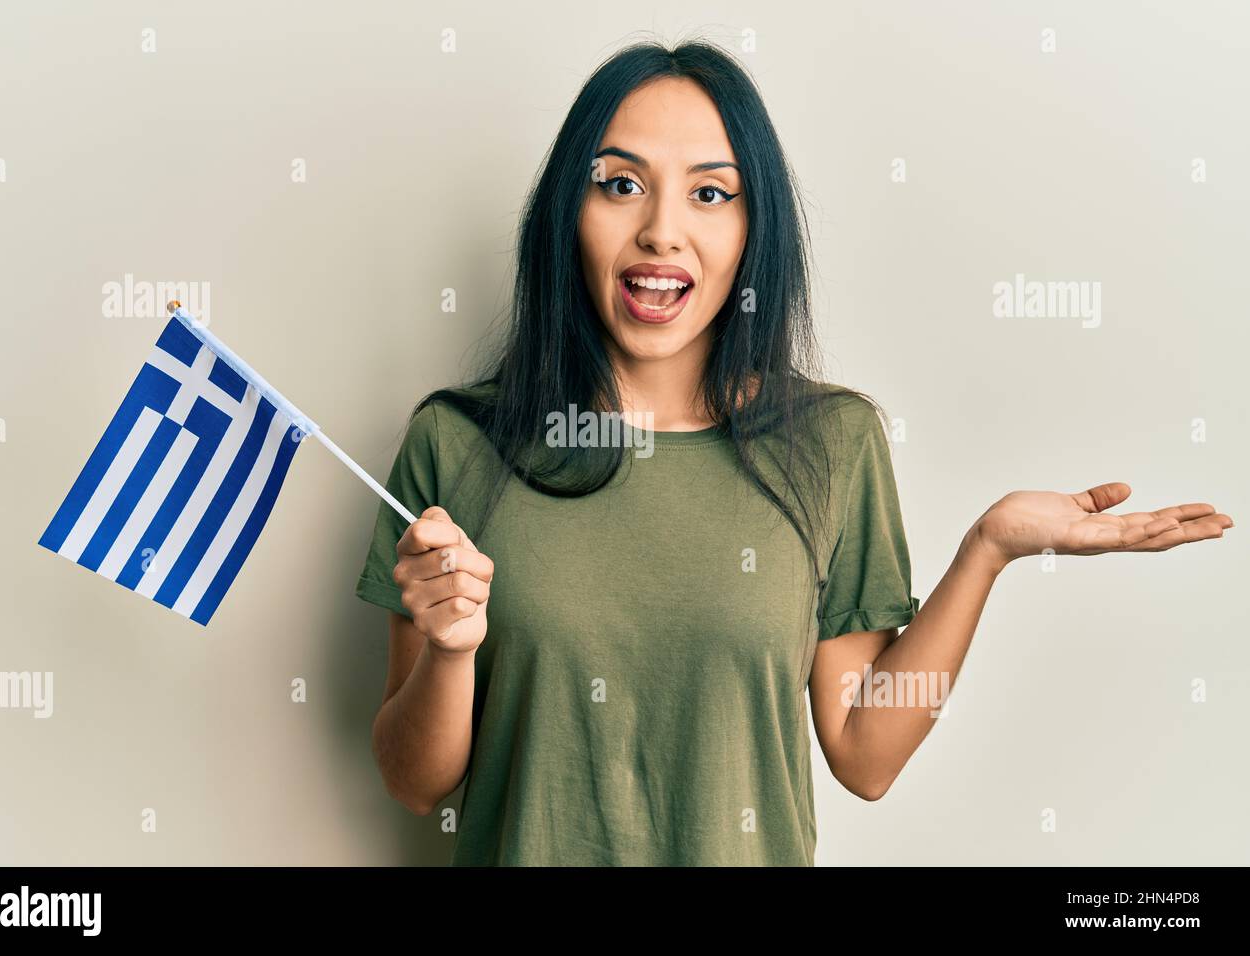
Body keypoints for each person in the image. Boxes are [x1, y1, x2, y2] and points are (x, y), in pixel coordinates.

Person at [353, 40, 1233, 866]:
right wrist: (454, 651)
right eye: (620, 185)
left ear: (753, 232)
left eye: (709, 193)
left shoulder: (832, 444)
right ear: (566, 214)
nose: (661, 230)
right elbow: (413, 780)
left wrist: (989, 550)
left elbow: (866, 753)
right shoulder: (458, 443)